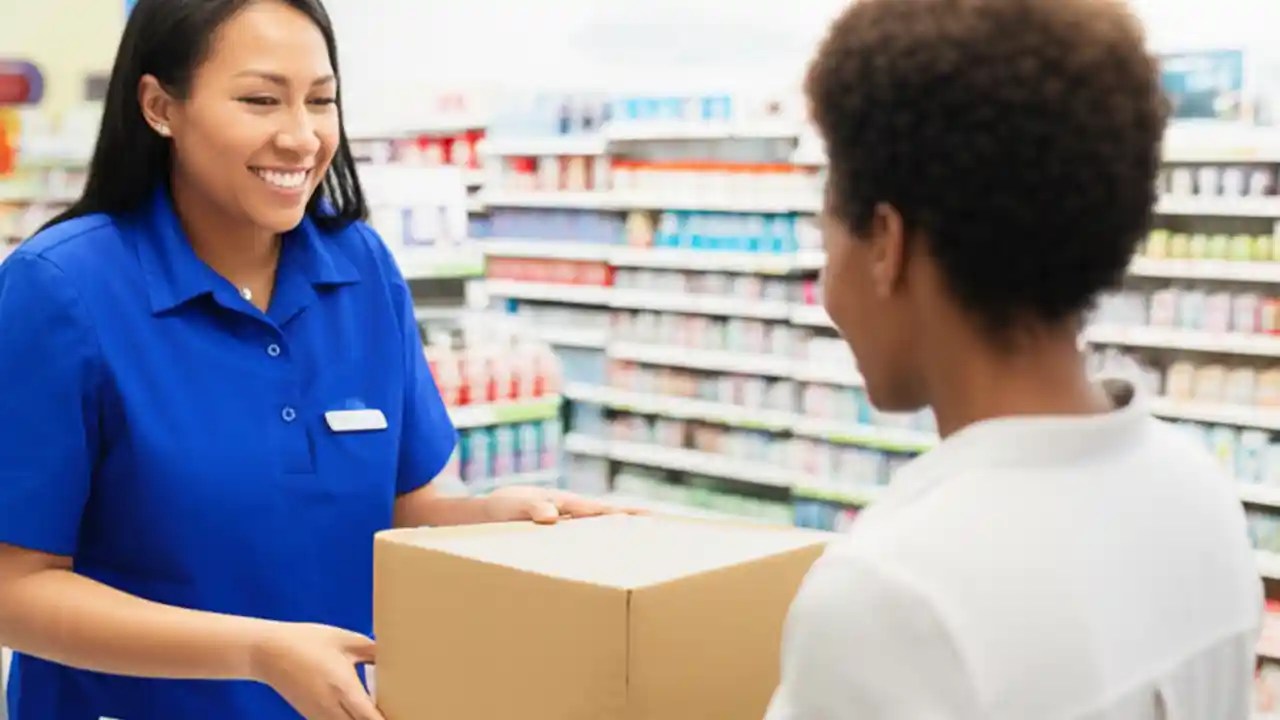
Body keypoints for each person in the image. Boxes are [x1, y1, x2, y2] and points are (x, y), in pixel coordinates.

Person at [0, 1, 626, 718]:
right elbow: (13, 588)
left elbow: (400, 504)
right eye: (260, 100)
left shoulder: (359, 269)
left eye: (321, 100)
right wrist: (258, 654)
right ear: (159, 106)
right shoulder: (62, 290)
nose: (301, 137)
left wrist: (492, 521)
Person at [768, 0, 1263, 718]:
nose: (826, 286)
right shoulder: (1199, 498)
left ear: (885, 241)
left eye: (829, 231)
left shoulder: (892, 598)